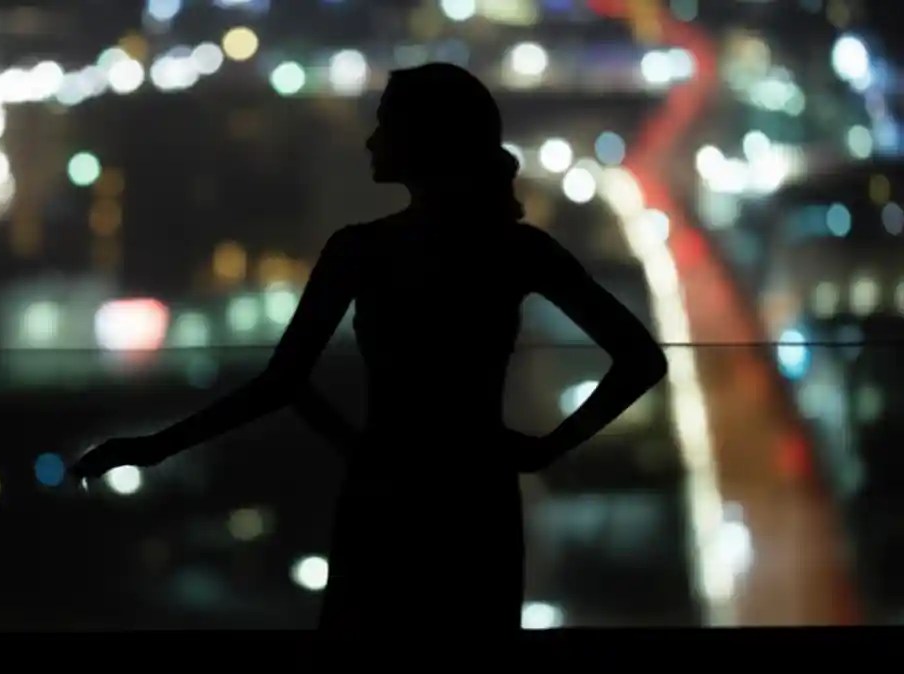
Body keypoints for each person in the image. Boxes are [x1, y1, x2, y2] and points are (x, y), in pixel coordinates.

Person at [70, 62, 668, 635]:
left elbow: (280, 384)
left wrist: (157, 447)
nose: (371, 140)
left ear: (424, 140)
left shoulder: (361, 250)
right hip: (474, 496)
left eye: (386, 123)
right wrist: (545, 450)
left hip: (384, 494)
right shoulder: (517, 249)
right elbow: (641, 358)